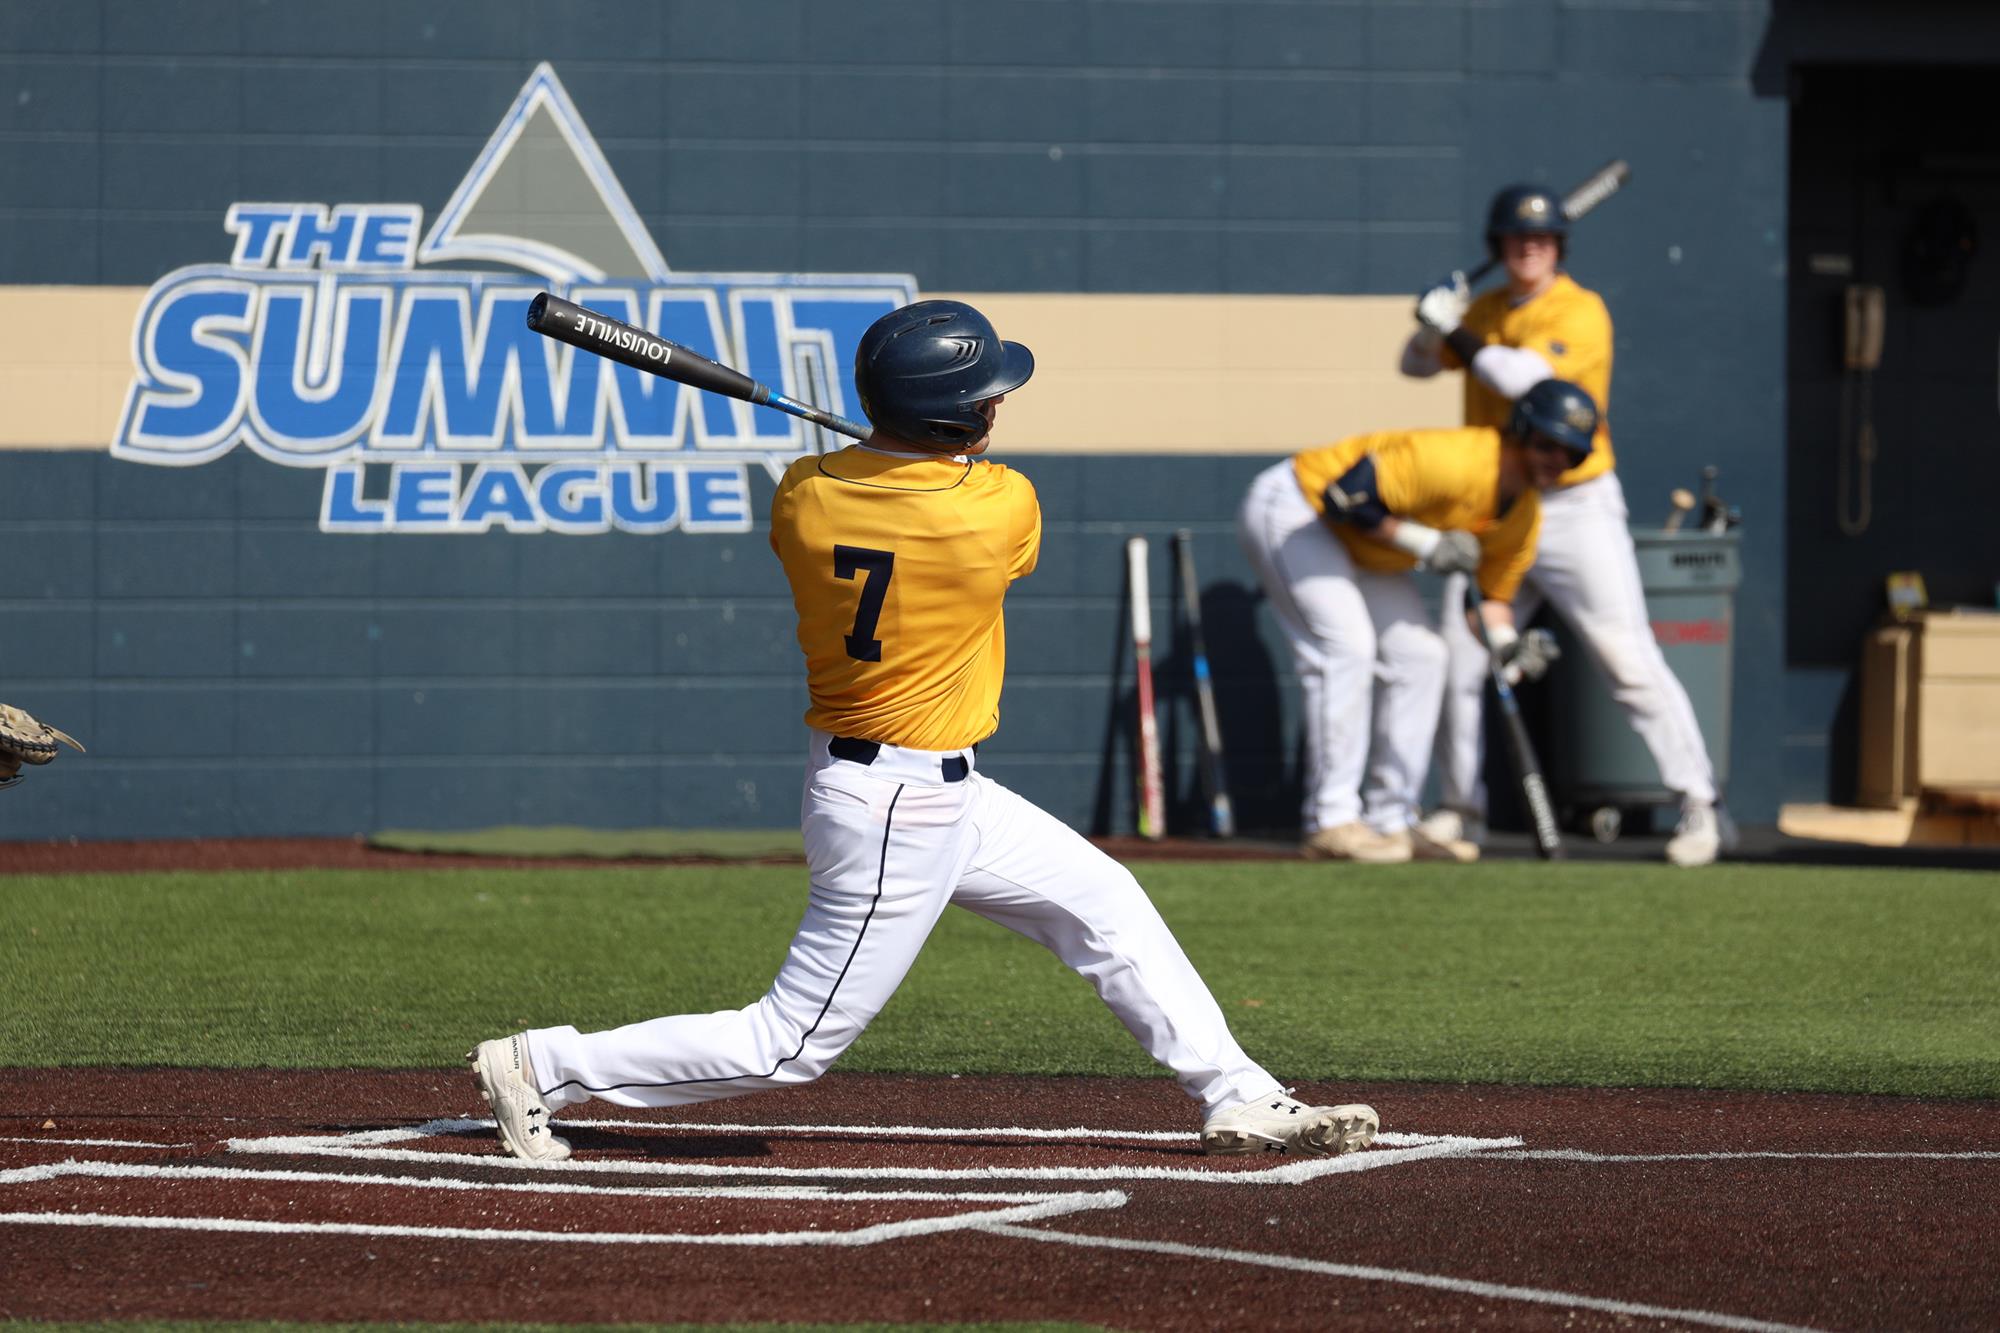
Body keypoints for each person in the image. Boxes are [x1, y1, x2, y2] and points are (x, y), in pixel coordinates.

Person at [468, 299, 1379, 1164]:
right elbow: (965, 500)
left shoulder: (803, 493)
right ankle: (543, 1064)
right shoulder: (998, 507)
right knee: (791, 1043)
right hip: (894, 807)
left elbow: (869, 482)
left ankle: (1237, 1090)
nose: (996, 408)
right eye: (985, 398)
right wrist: (916, 456)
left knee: (1104, 901)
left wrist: (893, 452)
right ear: (951, 418)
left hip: (925, 787)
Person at [1401, 183, 1729, 867]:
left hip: (1575, 506)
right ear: (1497, 245)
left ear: (1558, 247)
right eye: (1517, 238)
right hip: (1497, 503)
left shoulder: (1580, 310)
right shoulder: (1484, 309)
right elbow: (1413, 365)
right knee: (1460, 656)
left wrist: (1454, 330)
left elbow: (1527, 383)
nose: (1530, 248)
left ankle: (1698, 803)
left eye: (1542, 238)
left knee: (1625, 657)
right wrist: (1432, 323)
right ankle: (1462, 810)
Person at [1236, 379, 1596, 863]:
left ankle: (1393, 819)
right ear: (1521, 429)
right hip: (1299, 508)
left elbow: (1488, 600)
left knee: (1423, 656)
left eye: (1572, 453)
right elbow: (1346, 497)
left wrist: (1507, 644)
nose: (1557, 459)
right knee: (1347, 647)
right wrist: (1426, 543)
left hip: (1364, 544)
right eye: (1548, 443)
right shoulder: (1458, 460)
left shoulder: (1524, 516)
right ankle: (1331, 820)